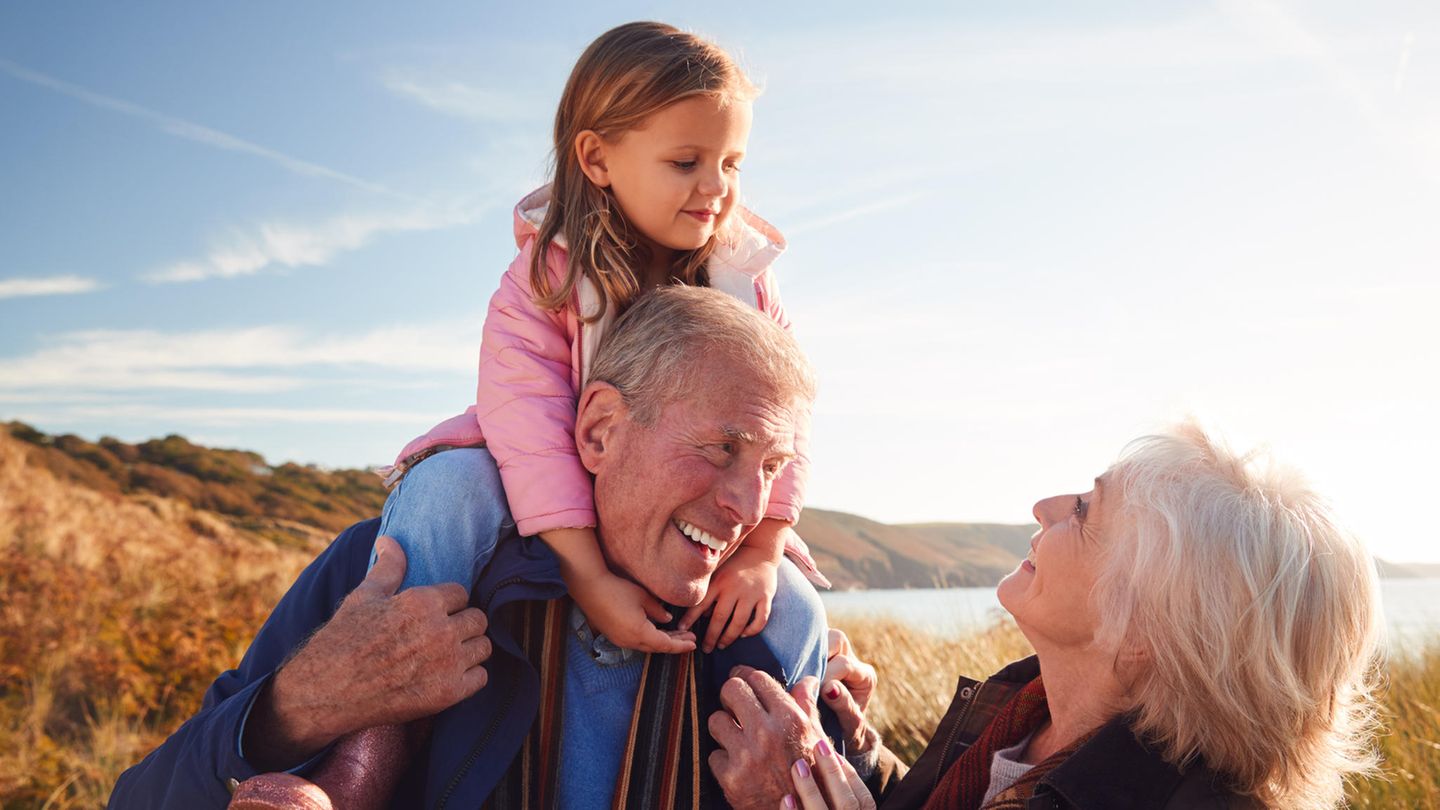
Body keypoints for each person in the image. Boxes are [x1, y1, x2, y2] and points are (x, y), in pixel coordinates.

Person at [108, 287, 830, 809]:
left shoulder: (773, 637)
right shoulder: (389, 569)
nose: (749, 507)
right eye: (721, 448)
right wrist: (296, 708)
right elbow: (141, 798)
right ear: (600, 431)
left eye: (772, 467)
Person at [378, 19, 827, 674]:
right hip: (548, 489)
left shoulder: (747, 284)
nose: (716, 187)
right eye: (686, 162)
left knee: (792, 604)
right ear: (596, 159)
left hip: (682, 500)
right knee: (449, 487)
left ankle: (808, 727)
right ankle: (390, 685)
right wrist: (586, 574)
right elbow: (528, 423)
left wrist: (763, 550)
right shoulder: (544, 281)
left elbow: (787, 425)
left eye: (731, 164)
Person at [709, 424, 1384, 810]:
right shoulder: (1025, 708)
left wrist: (786, 795)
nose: (1045, 507)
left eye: (1086, 512)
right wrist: (853, 756)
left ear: (1144, 627)